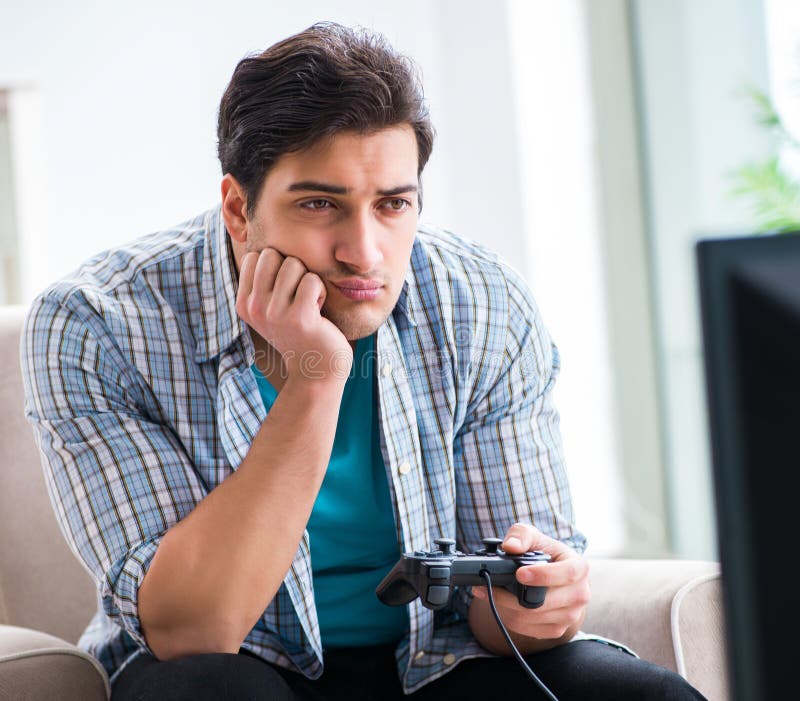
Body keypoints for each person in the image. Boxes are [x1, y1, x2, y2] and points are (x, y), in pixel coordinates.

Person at [20, 21, 706, 701]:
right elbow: (195, 629)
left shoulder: (480, 301)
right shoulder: (97, 323)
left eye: (393, 204)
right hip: (231, 663)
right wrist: (313, 383)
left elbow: (504, 615)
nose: (364, 252)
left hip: (434, 659)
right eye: (321, 203)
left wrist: (539, 604)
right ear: (238, 208)